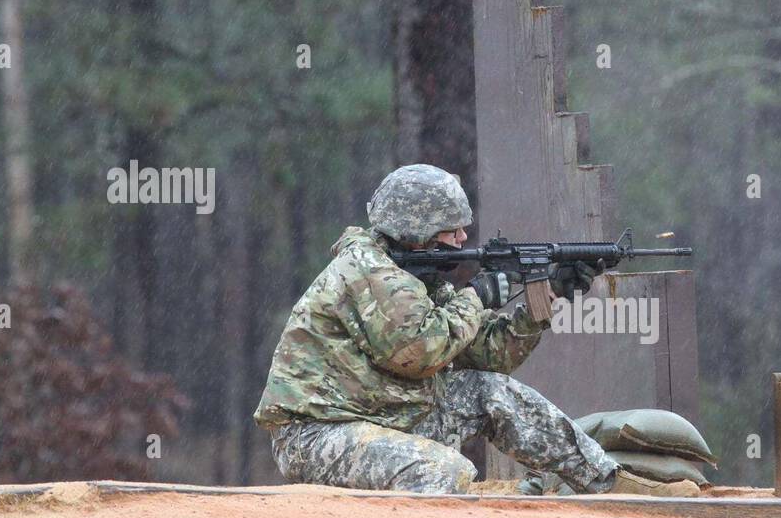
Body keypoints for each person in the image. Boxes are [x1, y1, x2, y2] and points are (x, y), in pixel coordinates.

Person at [253, 163, 672, 495]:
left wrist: (547, 298)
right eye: (452, 228)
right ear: (419, 229)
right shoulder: (368, 272)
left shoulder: (417, 278)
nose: (463, 236)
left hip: (379, 416)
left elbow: (491, 356)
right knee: (443, 471)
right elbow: (421, 352)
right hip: (314, 436)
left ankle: (605, 482)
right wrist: (479, 294)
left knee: (490, 393)